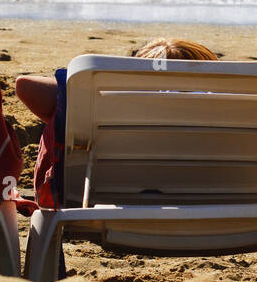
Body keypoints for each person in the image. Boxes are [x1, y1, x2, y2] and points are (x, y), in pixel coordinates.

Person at [16, 37, 218, 212]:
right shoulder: (228, 119)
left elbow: (25, 85)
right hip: (219, 208)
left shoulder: (113, 115)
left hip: (116, 205)